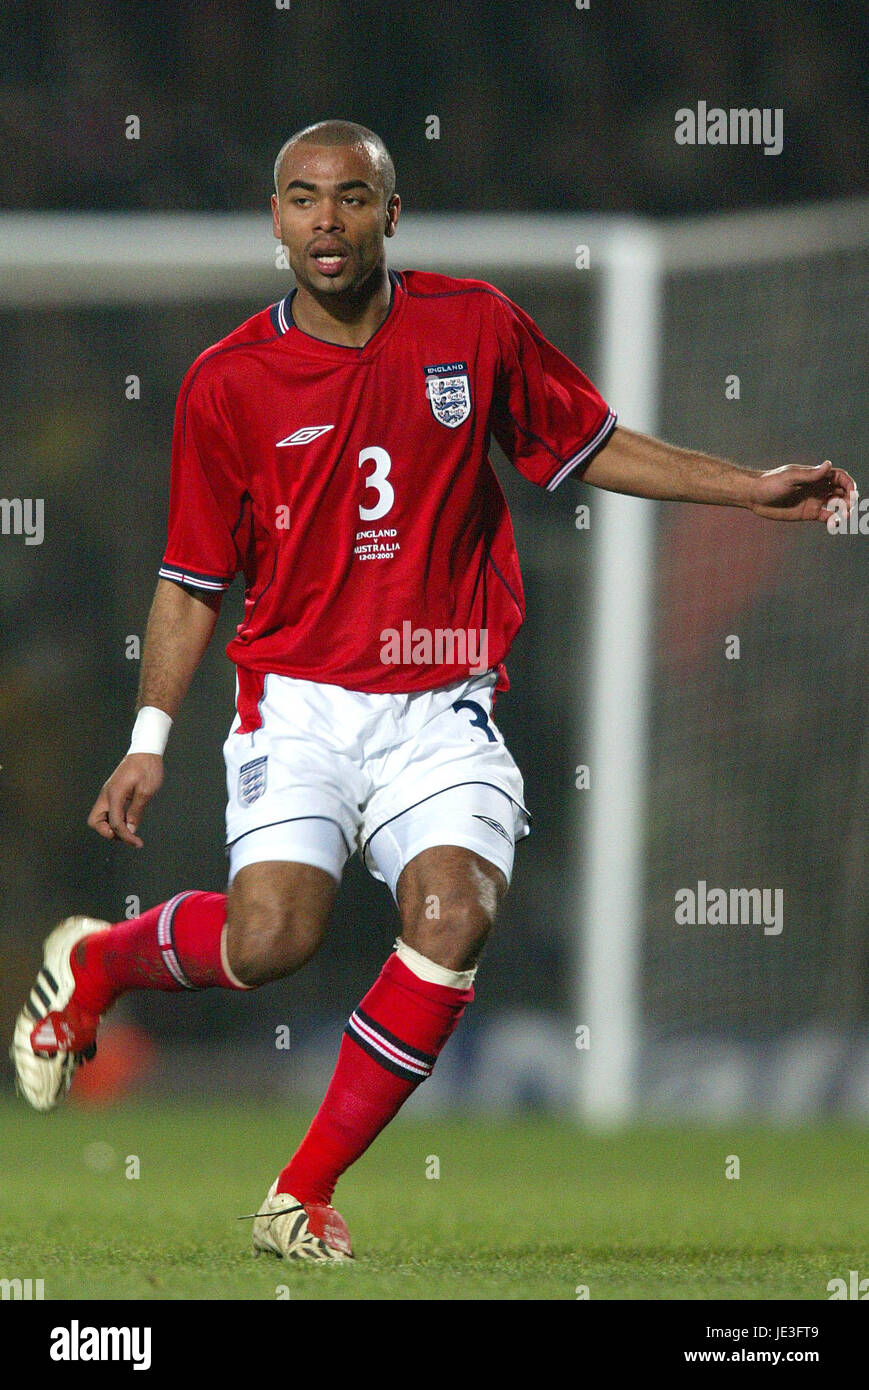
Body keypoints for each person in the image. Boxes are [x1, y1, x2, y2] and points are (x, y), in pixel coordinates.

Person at [11, 120, 856, 1264]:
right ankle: (102, 960)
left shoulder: (472, 325)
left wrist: (747, 489)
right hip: (296, 698)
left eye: (352, 197)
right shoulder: (227, 383)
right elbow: (190, 578)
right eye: (303, 198)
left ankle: (296, 1196)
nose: (327, 220)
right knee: (269, 940)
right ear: (275, 218)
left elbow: (589, 442)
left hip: (442, 702)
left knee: (452, 918)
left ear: (390, 214)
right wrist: (149, 735)